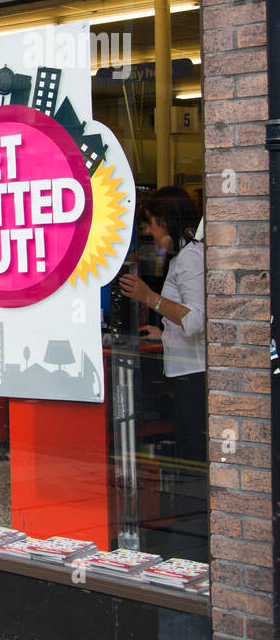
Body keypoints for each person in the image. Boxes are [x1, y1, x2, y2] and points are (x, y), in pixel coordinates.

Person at [119, 187, 206, 464]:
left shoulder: (190, 258)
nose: (149, 231)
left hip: (194, 374)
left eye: (150, 222)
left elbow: (196, 320)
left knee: (193, 451)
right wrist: (165, 331)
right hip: (187, 369)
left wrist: (149, 297)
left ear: (165, 222)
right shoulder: (184, 257)